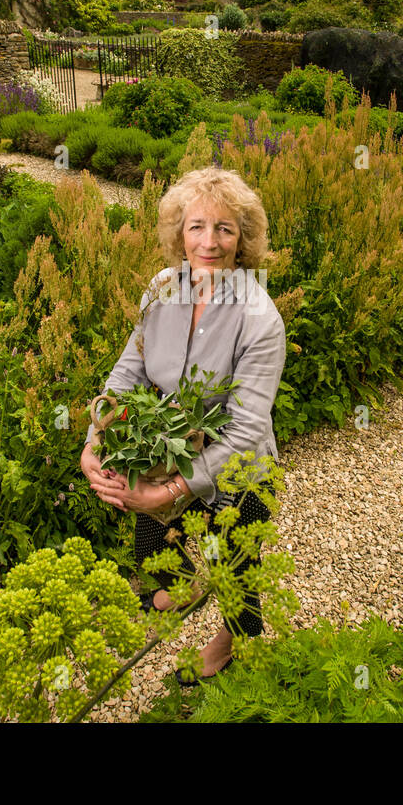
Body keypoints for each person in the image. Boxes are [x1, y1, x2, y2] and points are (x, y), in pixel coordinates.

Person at [80, 165, 287, 682]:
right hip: (172, 443)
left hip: (237, 466)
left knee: (231, 567)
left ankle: (236, 641)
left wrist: (172, 490)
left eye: (225, 229)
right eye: (197, 226)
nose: (209, 242)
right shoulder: (162, 288)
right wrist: (94, 443)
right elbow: (128, 372)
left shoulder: (260, 319)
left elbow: (242, 432)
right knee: (153, 548)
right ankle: (182, 586)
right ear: (179, 232)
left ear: (245, 240)